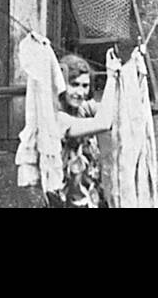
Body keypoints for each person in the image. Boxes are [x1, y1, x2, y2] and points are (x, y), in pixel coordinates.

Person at [44, 49, 121, 209]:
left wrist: (131, 71)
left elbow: (114, 110)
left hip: (91, 195)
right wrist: (111, 76)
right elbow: (103, 122)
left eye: (85, 86)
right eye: (74, 85)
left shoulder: (83, 109)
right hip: (69, 201)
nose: (80, 92)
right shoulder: (59, 119)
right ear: (61, 86)